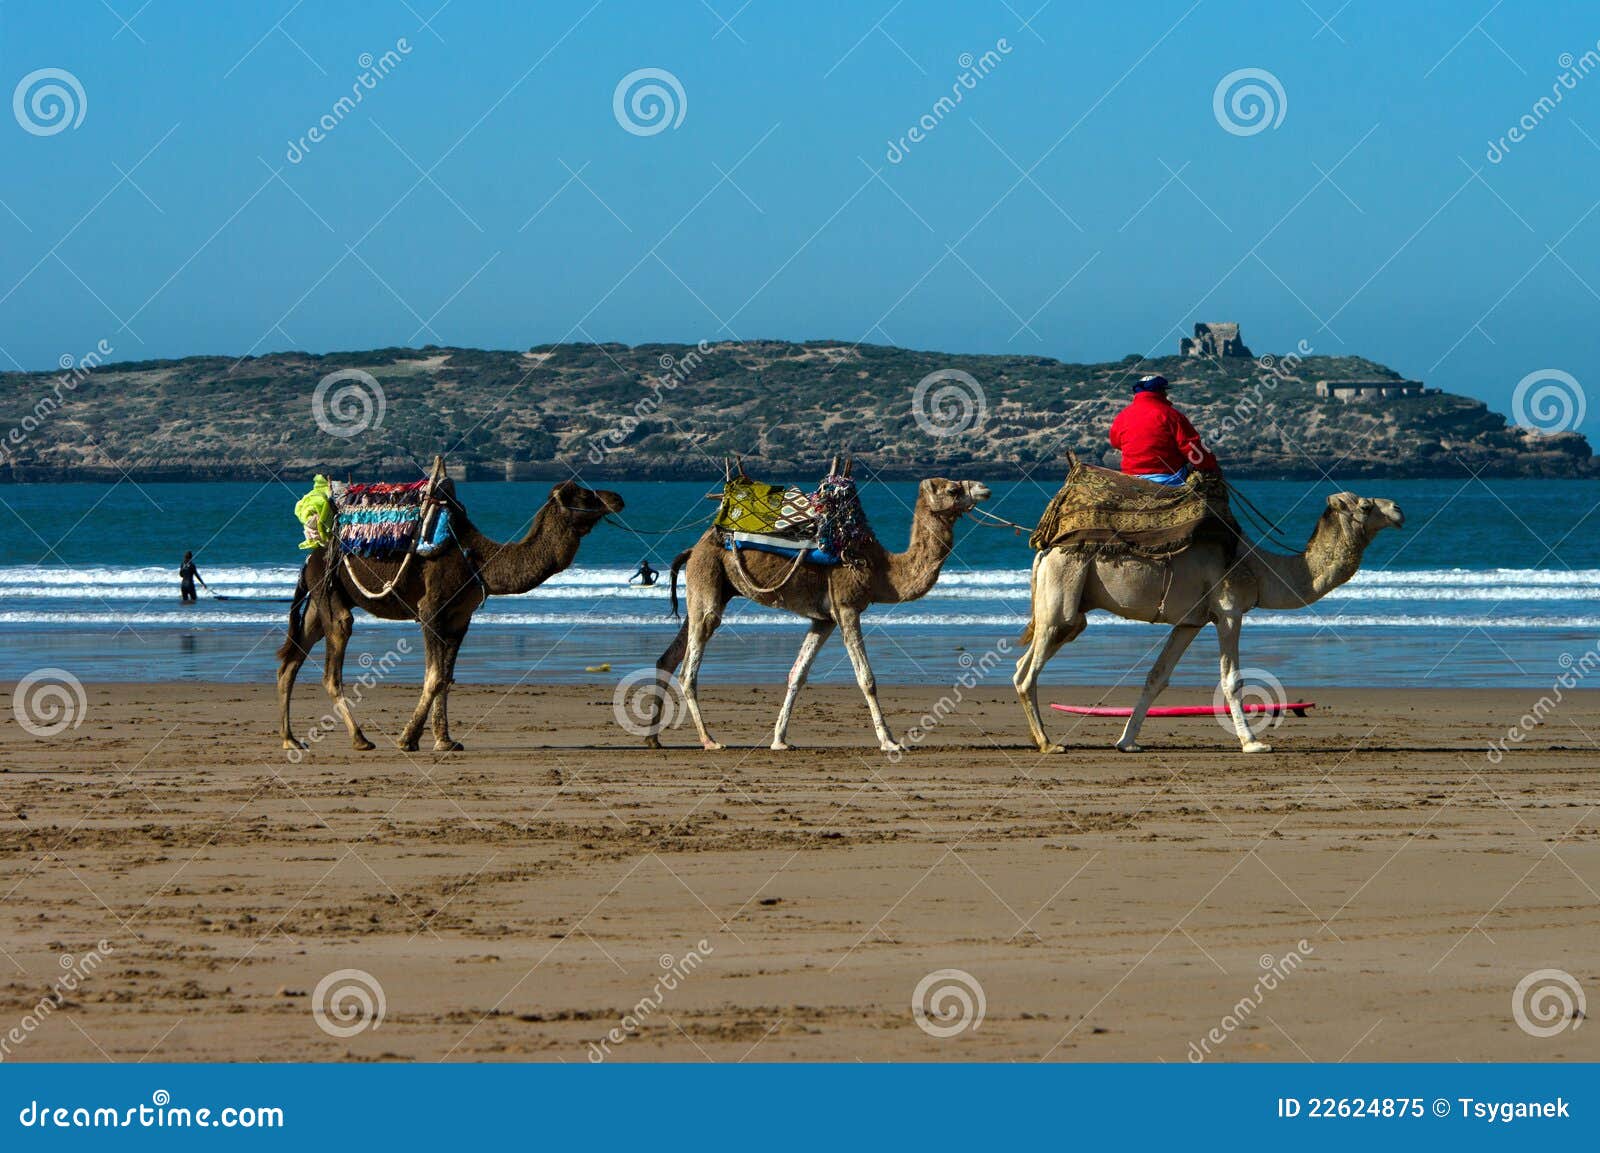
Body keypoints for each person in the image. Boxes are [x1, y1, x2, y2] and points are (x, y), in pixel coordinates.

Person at [1108, 374, 1219, 485]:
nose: (1166, 394)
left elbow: (1116, 443)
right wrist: (1210, 465)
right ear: (1160, 392)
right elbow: (1191, 447)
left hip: (1131, 476)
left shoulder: (1122, 416)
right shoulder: (1171, 415)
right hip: (1167, 477)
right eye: (1165, 391)